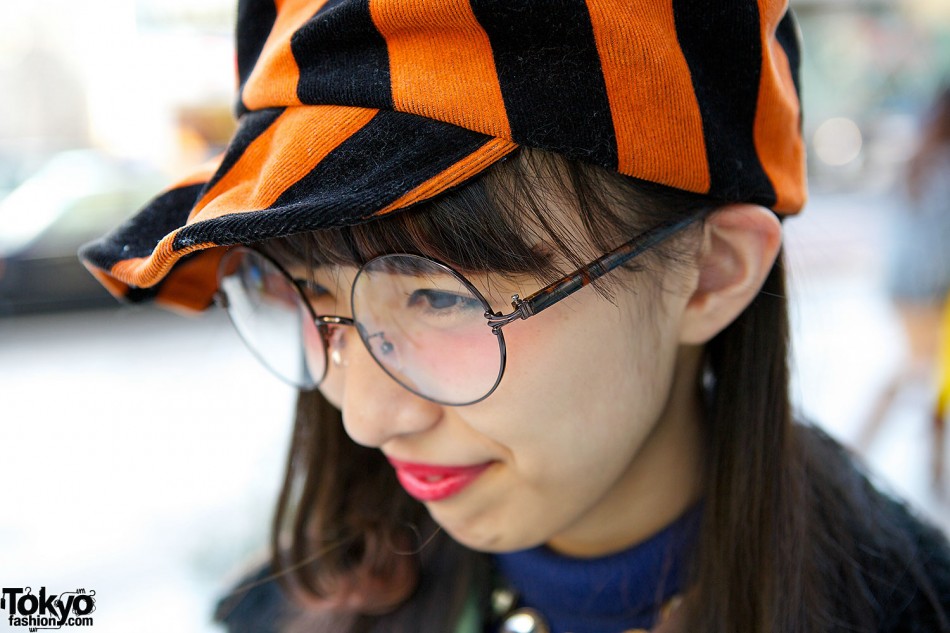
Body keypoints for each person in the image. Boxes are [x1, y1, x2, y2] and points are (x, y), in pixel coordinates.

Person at [80, 1, 950, 631]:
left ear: (710, 275)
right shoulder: (297, 606)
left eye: (438, 295)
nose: (366, 415)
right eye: (303, 290)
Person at [863, 86, 950, 485]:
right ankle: (857, 450)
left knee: (934, 372)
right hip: (927, 286)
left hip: (910, 282)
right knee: (920, 369)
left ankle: (933, 469)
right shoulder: (941, 163)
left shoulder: (925, 155)